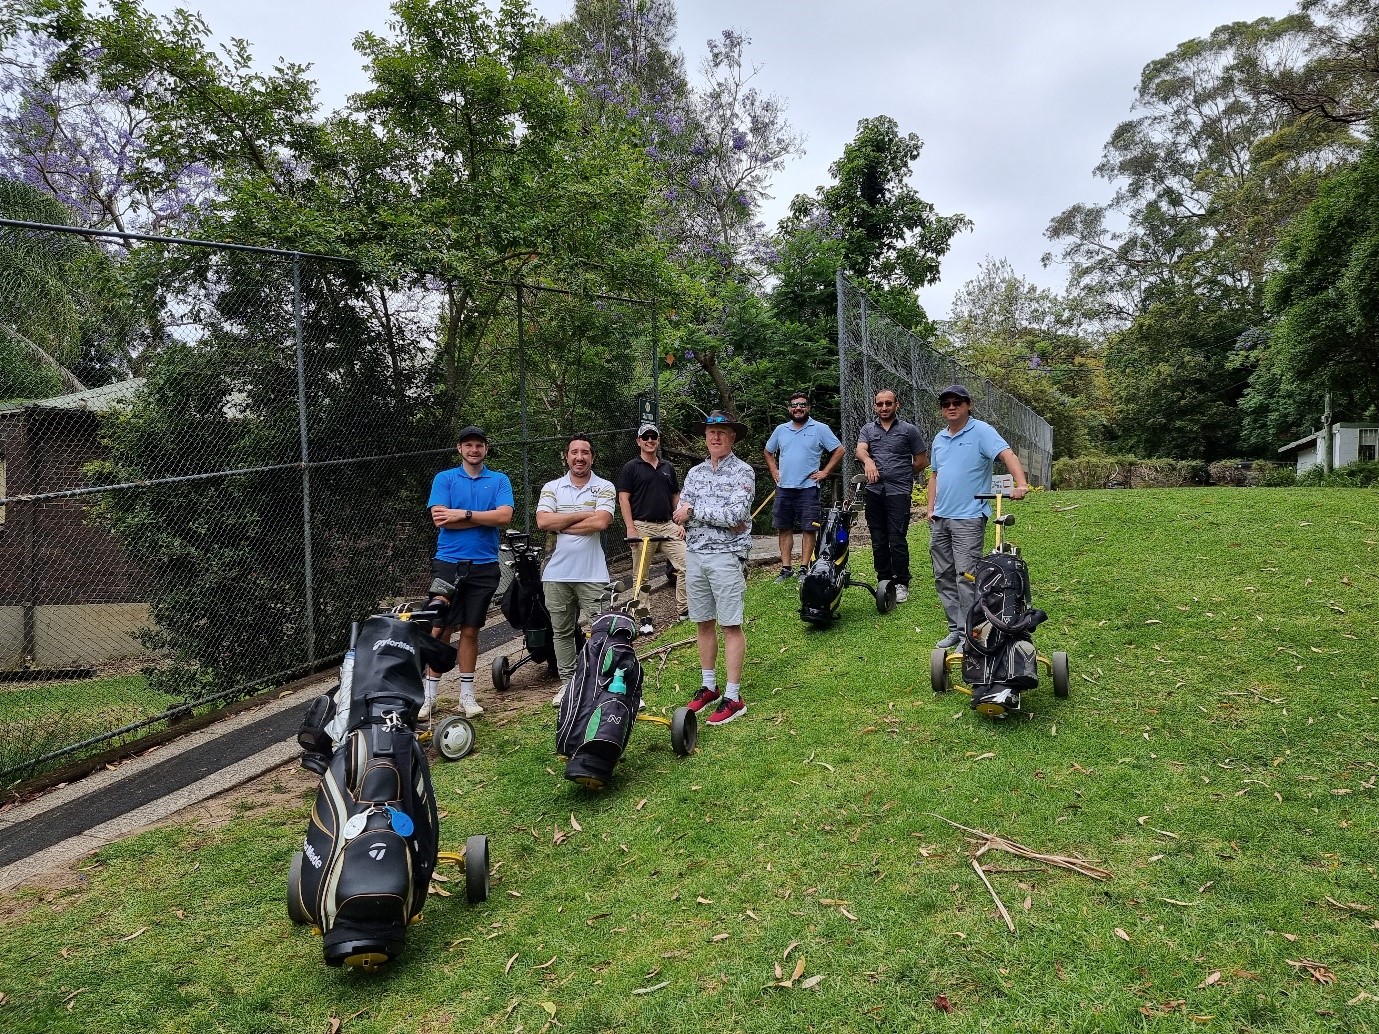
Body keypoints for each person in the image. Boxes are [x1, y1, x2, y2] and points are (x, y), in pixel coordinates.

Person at [924, 384, 1031, 650]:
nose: (951, 407)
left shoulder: (982, 431)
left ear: (967, 405)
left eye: (956, 403)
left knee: (966, 576)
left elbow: (1007, 454)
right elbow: (935, 475)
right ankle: (955, 629)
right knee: (943, 575)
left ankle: (969, 633)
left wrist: (1021, 484)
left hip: (968, 517)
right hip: (941, 517)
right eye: (946, 403)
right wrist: (930, 508)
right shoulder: (939, 438)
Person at [424, 425, 515, 719]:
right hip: (449, 562)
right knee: (441, 627)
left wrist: (462, 513)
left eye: (479, 445)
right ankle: (429, 696)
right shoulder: (445, 478)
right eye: (468, 445)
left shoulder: (499, 480)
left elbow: (503, 516)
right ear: (459, 449)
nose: (473, 450)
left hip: (484, 564)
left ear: (486, 449)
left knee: (471, 629)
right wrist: (482, 519)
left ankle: (467, 695)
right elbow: (440, 519)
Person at [674, 411, 757, 726]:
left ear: (732, 437)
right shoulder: (695, 473)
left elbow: (735, 515)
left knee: (730, 624)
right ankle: (709, 686)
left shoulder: (743, 472)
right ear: (705, 436)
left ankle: (734, 697)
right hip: (695, 554)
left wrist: (694, 511)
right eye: (711, 432)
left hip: (726, 556)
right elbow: (678, 512)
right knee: (703, 622)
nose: (716, 437)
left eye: (722, 432)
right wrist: (693, 513)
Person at [537, 434, 616, 706]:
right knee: (562, 631)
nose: (579, 457)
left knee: (603, 630)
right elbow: (543, 521)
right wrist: (584, 514)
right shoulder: (552, 487)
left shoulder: (604, 486)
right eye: (574, 452)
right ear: (566, 456)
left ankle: (604, 682)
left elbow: (602, 522)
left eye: (585, 452)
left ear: (592, 457)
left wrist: (561, 523)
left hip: (593, 573)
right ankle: (568, 685)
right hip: (556, 573)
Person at [855, 389, 928, 603]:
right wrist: (868, 461)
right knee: (878, 539)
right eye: (880, 404)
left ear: (897, 404)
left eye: (889, 403)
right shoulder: (868, 429)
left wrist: (903, 474)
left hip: (899, 492)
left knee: (897, 539)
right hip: (874, 491)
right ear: (874, 407)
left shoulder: (909, 430)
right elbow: (860, 450)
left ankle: (901, 582)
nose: (884, 408)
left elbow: (921, 461)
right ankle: (883, 579)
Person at [763, 391, 844, 582]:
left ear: (808, 408)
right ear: (789, 408)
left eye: (802, 404)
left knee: (809, 528)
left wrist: (825, 472)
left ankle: (803, 568)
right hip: (784, 488)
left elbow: (839, 450)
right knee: (784, 527)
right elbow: (768, 451)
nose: (798, 408)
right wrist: (774, 470)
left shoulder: (820, 429)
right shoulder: (781, 430)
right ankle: (786, 568)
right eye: (794, 405)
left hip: (808, 488)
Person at [617, 422, 687, 630]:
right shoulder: (631, 468)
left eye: (653, 437)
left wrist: (679, 520)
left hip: (667, 524)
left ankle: (684, 609)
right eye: (645, 437)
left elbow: (675, 496)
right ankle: (644, 617)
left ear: (658, 440)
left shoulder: (667, 468)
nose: (649, 441)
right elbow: (623, 499)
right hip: (642, 525)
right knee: (641, 573)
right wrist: (630, 528)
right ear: (638, 441)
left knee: (688, 563)